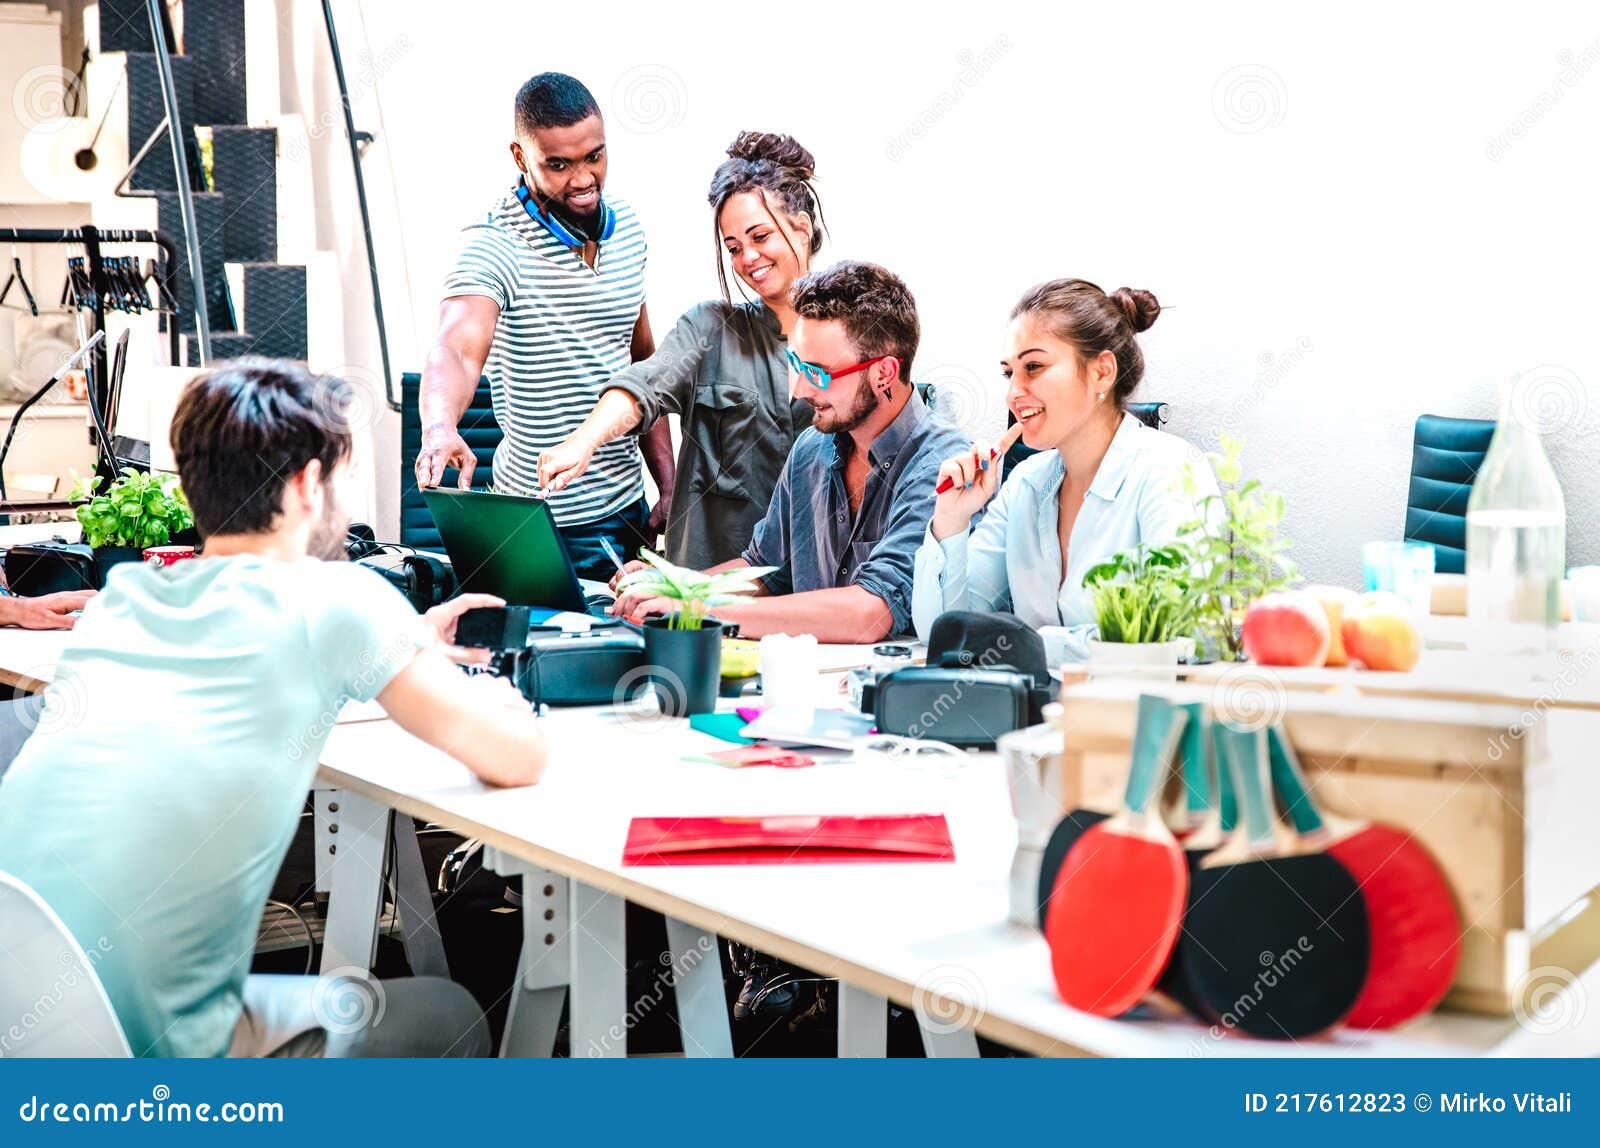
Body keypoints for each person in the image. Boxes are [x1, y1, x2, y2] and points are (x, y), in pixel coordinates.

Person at [0, 358, 546, 1059]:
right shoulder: (340, 600)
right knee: (450, 1015)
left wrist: (405, 647)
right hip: (148, 1071)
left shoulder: (121, 605)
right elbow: (519, 758)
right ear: (304, 485)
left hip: (29, 1032)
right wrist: (494, 678)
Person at [610, 261, 969, 643]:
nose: (799, 390)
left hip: (889, 688)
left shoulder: (940, 462)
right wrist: (675, 588)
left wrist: (698, 610)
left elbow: (871, 613)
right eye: (797, 364)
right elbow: (763, 569)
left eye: (818, 373)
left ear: (883, 373)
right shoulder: (811, 449)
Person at [413, 72, 674, 581]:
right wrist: (439, 425)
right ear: (519, 157)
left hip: (627, 514)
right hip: (537, 524)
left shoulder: (630, 229)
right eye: (558, 164)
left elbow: (643, 365)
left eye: (594, 157)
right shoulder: (493, 243)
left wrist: (668, 481)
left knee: (625, 658)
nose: (582, 179)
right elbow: (456, 350)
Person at [536, 131, 822, 568]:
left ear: (801, 228)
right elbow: (644, 385)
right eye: (733, 248)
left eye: (760, 236)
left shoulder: (848, 341)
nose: (748, 259)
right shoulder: (710, 328)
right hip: (698, 602)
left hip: (805, 593)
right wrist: (584, 440)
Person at [913, 279, 1219, 663]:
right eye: (1010, 373)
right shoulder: (1025, 484)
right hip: (1033, 718)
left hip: (1128, 717)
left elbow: (1175, 638)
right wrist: (952, 519)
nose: (1013, 393)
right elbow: (942, 634)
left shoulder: (1172, 471)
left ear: (1102, 373)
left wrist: (1023, 647)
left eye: (1034, 367)